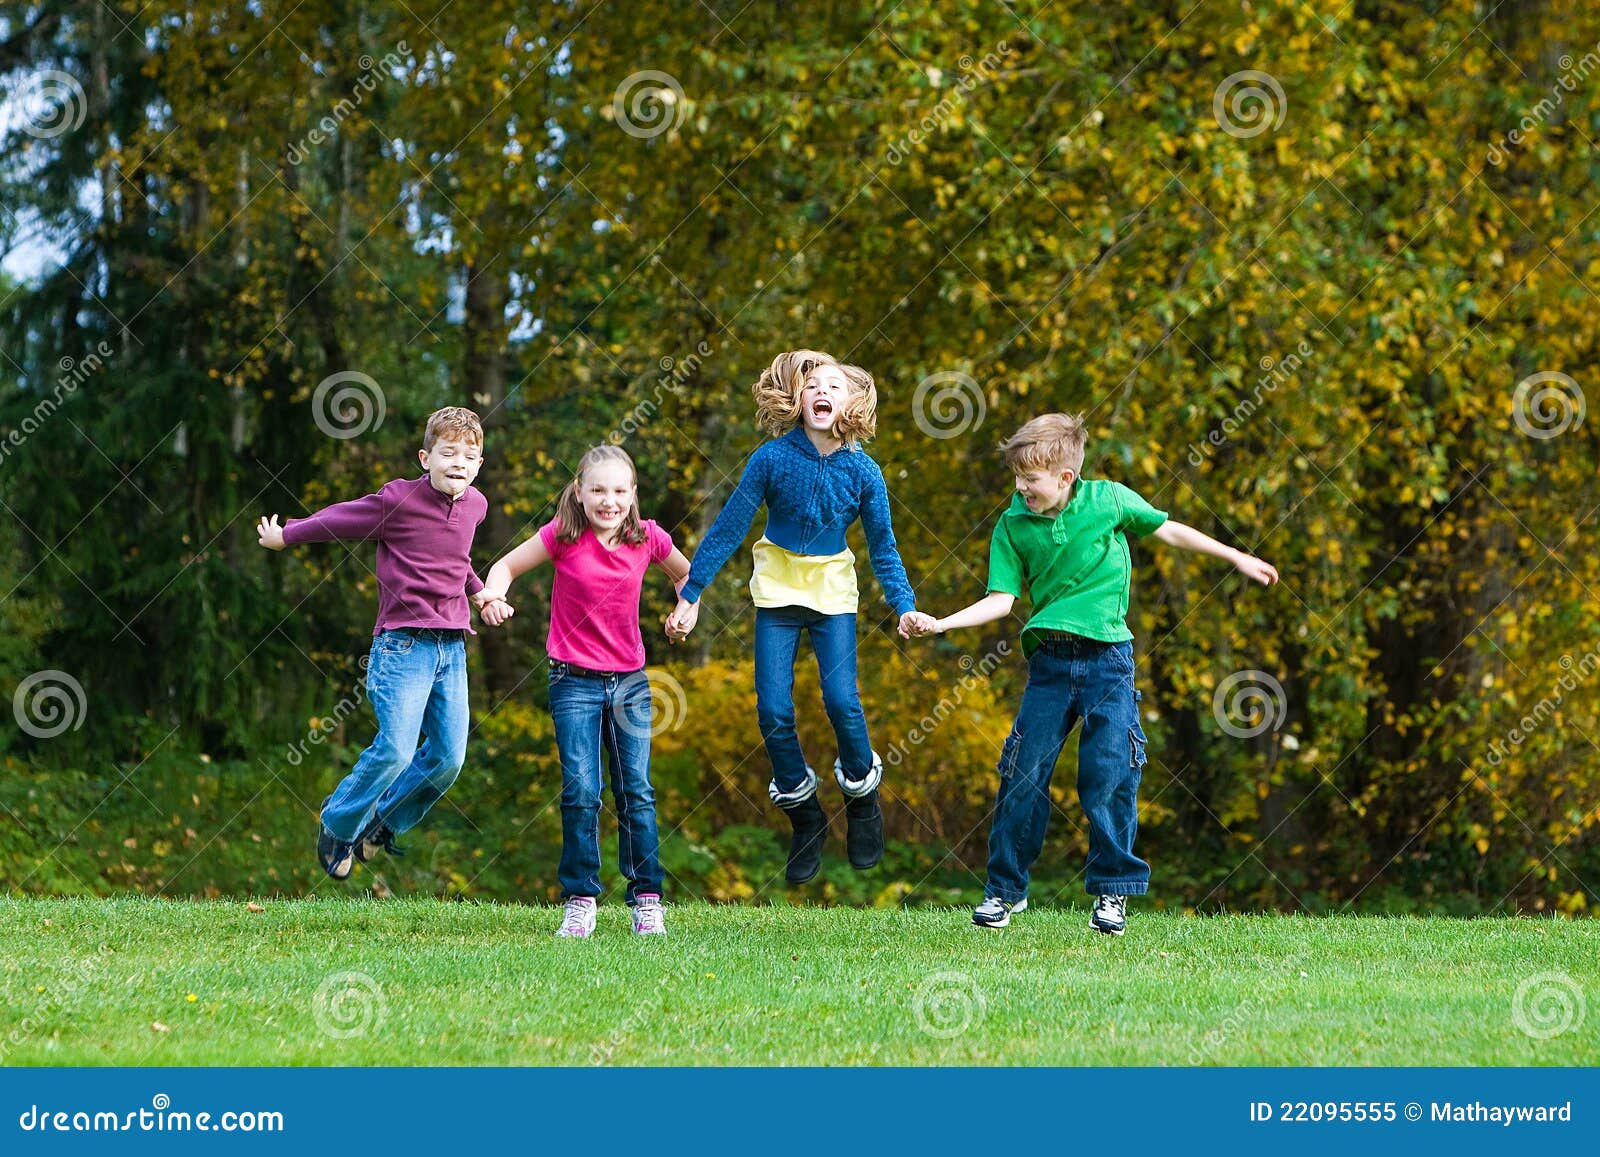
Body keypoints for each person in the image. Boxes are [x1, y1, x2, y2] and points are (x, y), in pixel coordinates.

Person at [904, 412, 1277, 935]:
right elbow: (1001, 600)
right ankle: (1005, 892)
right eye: (1017, 478)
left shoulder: (1108, 501)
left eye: (1030, 480)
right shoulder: (1013, 525)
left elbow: (1168, 530)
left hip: (1109, 662)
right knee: (1022, 773)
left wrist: (1235, 555)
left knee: (1110, 773)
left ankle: (1111, 893)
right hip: (1050, 666)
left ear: (1064, 477)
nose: (1021, 488)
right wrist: (941, 623)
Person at [665, 350, 934, 885]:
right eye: (812, 384)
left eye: (834, 385)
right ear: (796, 398)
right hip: (779, 588)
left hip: (832, 588)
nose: (822, 392)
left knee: (841, 700)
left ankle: (862, 795)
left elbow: (884, 549)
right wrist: (690, 593)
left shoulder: (864, 472)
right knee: (773, 711)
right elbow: (728, 527)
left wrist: (904, 606)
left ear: (851, 402)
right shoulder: (770, 459)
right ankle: (805, 815)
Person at [257, 406, 491, 881]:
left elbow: (455, 559)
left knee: (449, 758)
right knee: (397, 750)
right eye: (448, 453)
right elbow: (340, 520)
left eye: (469, 456)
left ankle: (382, 823)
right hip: (402, 648)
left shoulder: (476, 506)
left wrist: (480, 591)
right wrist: (287, 535)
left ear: (479, 464)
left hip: (451, 649)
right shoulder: (398, 501)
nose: (458, 463)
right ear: (426, 457)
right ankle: (339, 822)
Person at [475, 445, 692, 938]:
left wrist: (686, 610)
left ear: (633, 495)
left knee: (635, 790)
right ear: (579, 491)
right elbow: (503, 569)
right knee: (581, 792)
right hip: (572, 681)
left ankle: (647, 900)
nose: (608, 501)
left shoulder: (648, 537)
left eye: (619, 491)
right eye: (598, 490)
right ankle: (581, 899)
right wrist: (494, 597)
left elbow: (686, 576)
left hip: (630, 684)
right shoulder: (562, 537)